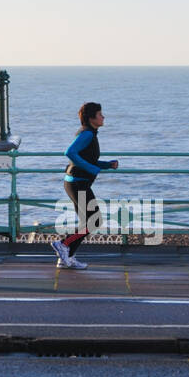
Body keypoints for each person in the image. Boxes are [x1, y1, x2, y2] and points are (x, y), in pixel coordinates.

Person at [50, 102, 119, 269]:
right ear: (91, 118)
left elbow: (88, 158)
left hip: (75, 183)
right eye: (100, 114)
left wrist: (107, 165)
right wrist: (92, 168)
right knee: (94, 221)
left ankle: (67, 258)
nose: (103, 117)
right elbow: (70, 153)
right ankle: (63, 244)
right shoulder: (87, 134)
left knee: (86, 222)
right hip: (78, 184)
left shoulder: (89, 133)